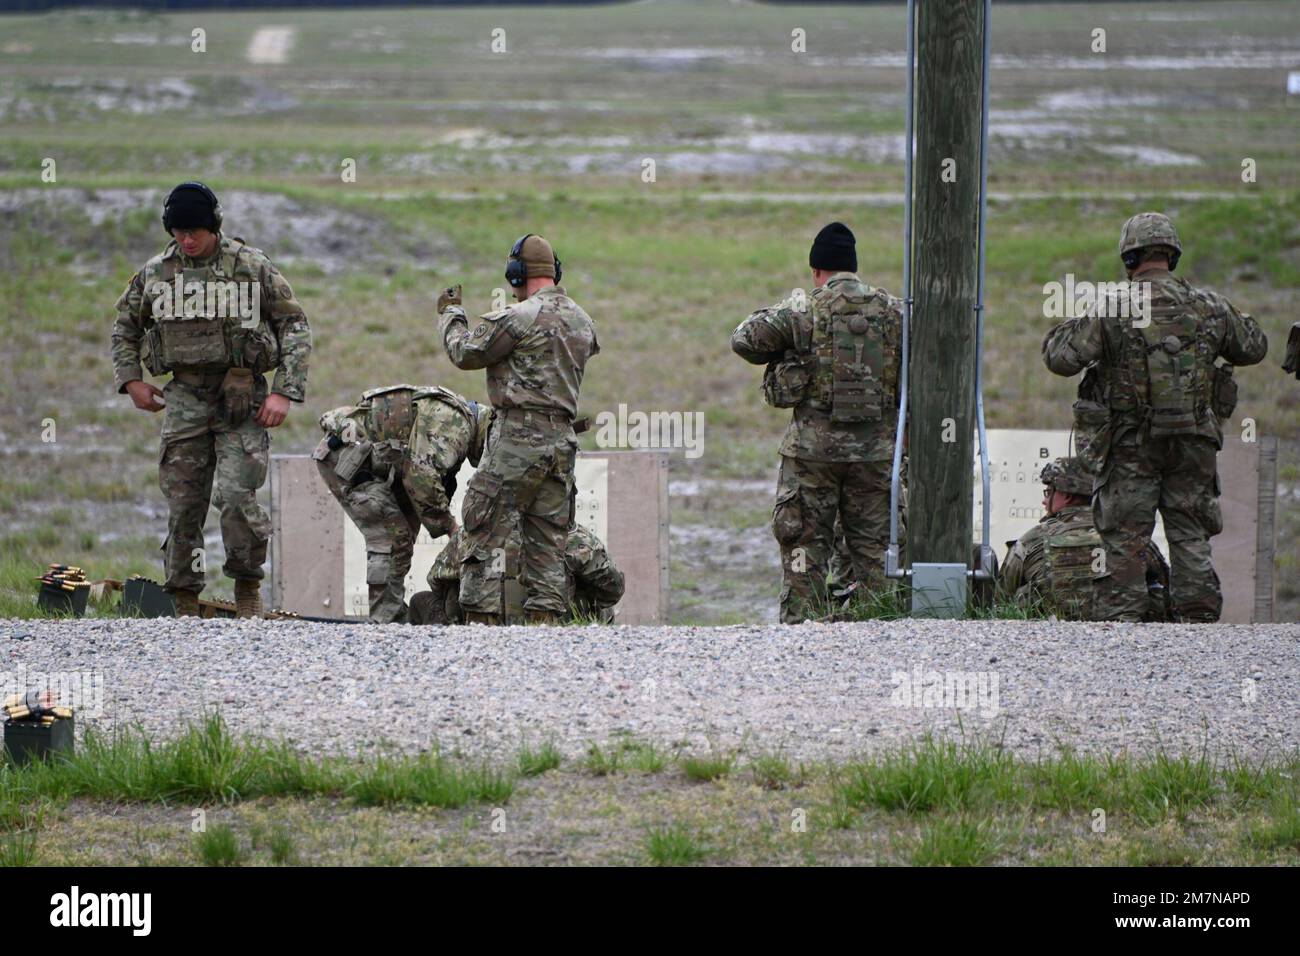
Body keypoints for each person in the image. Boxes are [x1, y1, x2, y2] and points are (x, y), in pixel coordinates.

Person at [1042, 212, 1267, 621]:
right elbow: (1254, 347)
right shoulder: (1209, 306)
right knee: (1191, 534)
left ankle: (1125, 627)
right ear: (1172, 257)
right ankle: (1196, 625)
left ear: (1130, 260)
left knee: (1125, 539)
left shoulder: (1112, 308)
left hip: (1130, 446)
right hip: (1193, 443)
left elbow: (1059, 358)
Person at [111, 181, 311, 617]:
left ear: (214, 227)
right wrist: (132, 381)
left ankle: (246, 590)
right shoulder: (156, 273)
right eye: (179, 231)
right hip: (183, 398)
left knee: (238, 498)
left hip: (241, 399)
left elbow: (294, 326)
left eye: (195, 231)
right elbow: (124, 327)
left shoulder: (251, 267)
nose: (187, 240)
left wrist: (284, 392)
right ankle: (183, 597)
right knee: (184, 503)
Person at [731, 222, 904, 623]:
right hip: (876, 458)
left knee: (802, 553)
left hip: (812, 458)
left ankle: (799, 637)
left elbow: (743, 339)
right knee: (876, 556)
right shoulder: (894, 311)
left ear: (816, 271)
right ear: (853, 268)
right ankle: (880, 634)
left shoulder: (804, 310)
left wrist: (789, 355)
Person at [439, 234, 598, 624]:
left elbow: (465, 353)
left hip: (517, 441)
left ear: (516, 273)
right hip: (561, 443)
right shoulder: (582, 319)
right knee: (548, 545)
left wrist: (450, 316)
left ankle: (482, 634)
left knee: (482, 531)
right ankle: (543, 637)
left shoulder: (518, 317)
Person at [313, 385, 488, 622]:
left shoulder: (454, 417)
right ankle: (386, 622)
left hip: (377, 464)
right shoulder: (457, 425)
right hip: (349, 459)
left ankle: (391, 614)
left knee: (403, 531)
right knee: (392, 537)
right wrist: (449, 527)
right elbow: (420, 475)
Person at [999, 457, 1171, 621]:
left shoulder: (1033, 540)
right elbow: (1167, 587)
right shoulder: (1132, 536)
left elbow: (1002, 598)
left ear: (1067, 495)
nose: (1044, 500)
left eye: (1049, 492)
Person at [410, 522, 624, 625]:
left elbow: (437, 580)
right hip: (555, 633)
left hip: (480, 635)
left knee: (424, 600)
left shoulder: (470, 534)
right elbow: (612, 590)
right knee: (602, 607)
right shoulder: (576, 539)